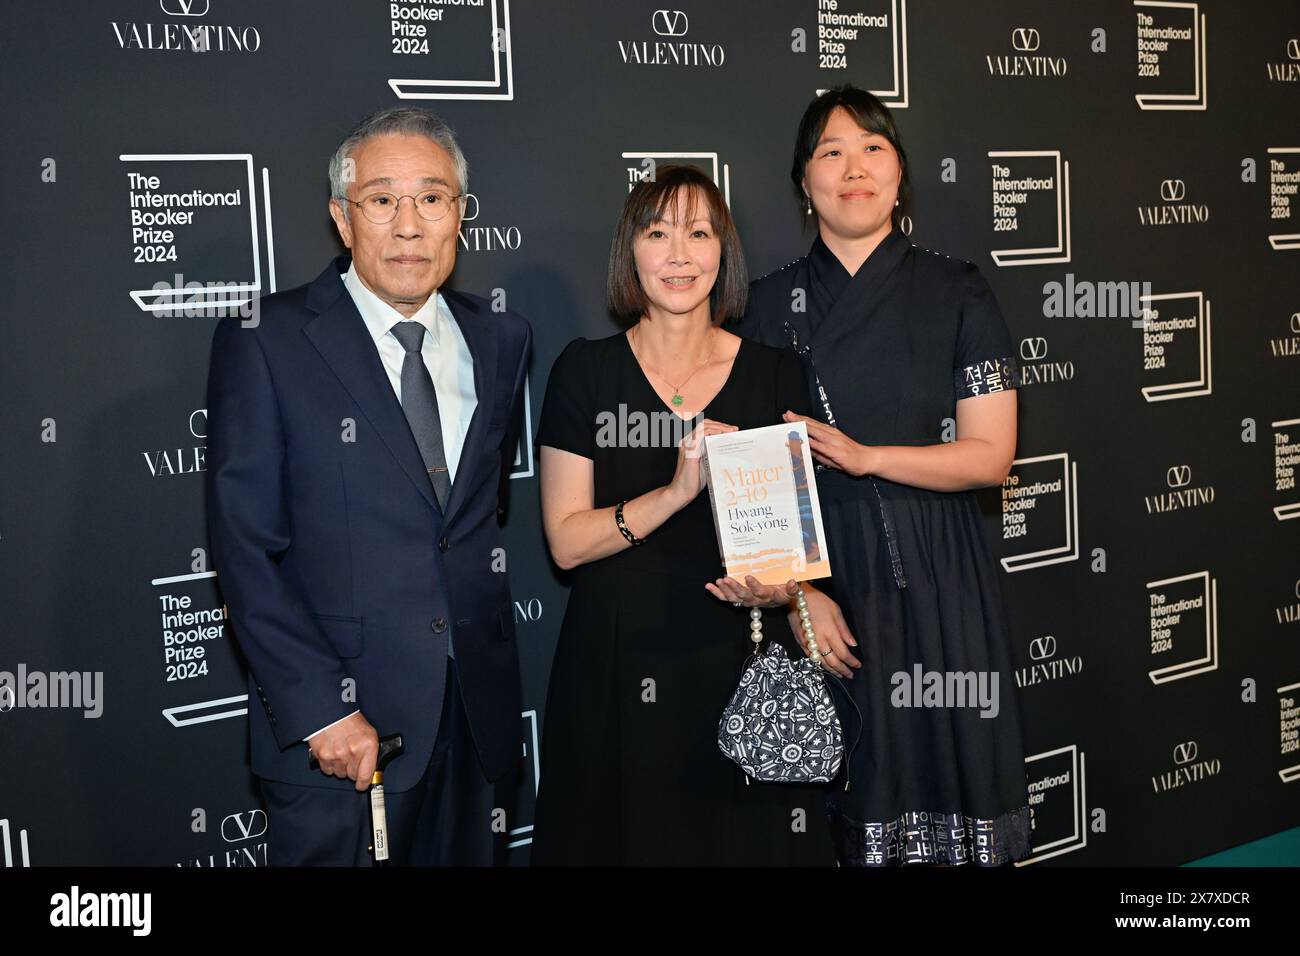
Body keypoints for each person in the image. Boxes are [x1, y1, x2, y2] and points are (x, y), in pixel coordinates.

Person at [206, 106, 532, 865]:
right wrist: (320, 711)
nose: (410, 225)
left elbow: (470, 521)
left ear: (460, 214)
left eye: (433, 198)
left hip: (477, 724)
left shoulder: (502, 338)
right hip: (343, 737)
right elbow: (247, 548)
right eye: (382, 200)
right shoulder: (266, 339)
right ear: (342, 219)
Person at [730, 85, 1033, 867]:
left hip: (941, 578)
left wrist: (868, 457)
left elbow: (990, 454)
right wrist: (799, 596)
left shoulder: (958, 289)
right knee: (850, 802)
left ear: (899, 172)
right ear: (804, 182)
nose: (852, 168)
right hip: (831, 592)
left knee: (955, 785)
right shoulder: (764, 308)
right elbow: (750, 487)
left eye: (872, 147)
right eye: (829, 152)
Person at [529, 165, 836, 865]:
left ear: (722, 253)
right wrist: (676, 490)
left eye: (699, 233)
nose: (678, 255)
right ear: (628, 253)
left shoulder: (778, 373)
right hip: (615, 665)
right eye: (658, 232)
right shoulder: (585, 371)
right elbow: (567, 543)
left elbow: (794, 547)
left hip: (739, 661)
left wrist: (785, 589)